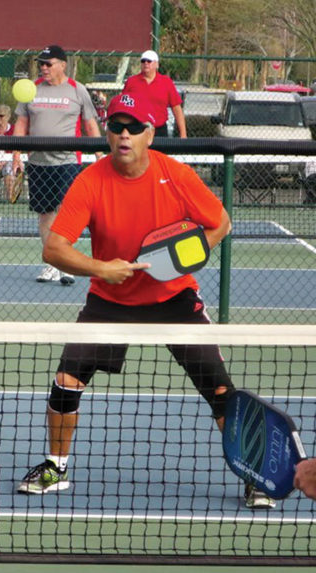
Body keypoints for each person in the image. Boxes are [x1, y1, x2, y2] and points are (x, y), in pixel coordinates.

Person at [16, 93, 276, 510]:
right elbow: (54, 249)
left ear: (150, 134)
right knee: (66, 382)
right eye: (117, 126)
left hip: (174, 298)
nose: (124, 134)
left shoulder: (176, 175)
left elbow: (221, 222)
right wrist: (102, 269)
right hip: (110, 300)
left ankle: (253, 477)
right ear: (107, 132)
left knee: (221, 389)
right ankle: (55, 466)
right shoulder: (90, 180)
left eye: (134, 128)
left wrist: (182, 259)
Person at [11, 45, 102, 284]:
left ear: (63, 64)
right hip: (38, 162)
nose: (43, 67)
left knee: (67, 211)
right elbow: (21, 123)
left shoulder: (77, 90)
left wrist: (100, 157)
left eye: (48, 64)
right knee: (45, 213)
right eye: (41, 63)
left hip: (68, 161)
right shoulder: (31, 89)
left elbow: (90, 125)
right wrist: (16, 154)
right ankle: (52, 264)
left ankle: (66, 264)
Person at [121, 50, 187, 139]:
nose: (146, 63)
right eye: (143, 61)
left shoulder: (166, 82)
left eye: (149, 61)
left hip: (159, 131)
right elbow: (123, 107)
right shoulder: (131, 82)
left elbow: (177, 109)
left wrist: (183, 134)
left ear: (156, 64)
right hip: (137, 130)